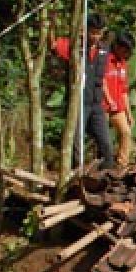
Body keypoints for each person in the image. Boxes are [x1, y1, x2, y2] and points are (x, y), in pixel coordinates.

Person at [51, 12, 113, 169]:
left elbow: (103, 78)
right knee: (76, 142)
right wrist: (51, 22)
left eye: (98, 33)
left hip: (96, 103)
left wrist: (109, 99)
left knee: (106, 143)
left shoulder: (104, 51)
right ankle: (77, 172)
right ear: (85, 30)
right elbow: (53, 45)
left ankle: (106, 173)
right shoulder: (74, 47)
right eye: (92, 32)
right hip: (79, 102)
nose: (95, 37)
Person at [106, 32, 135, 169]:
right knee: (104, 139)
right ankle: (104, 164)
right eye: (125, 50)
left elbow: (124, 91)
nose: (126, 53)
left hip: (118, 107)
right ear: (117, 46)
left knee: (126, 132)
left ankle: (122, 164)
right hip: (103, 106)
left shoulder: (123, 64)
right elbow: (102, 82)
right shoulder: (105, 59)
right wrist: (109, 100)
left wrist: (129, 113)